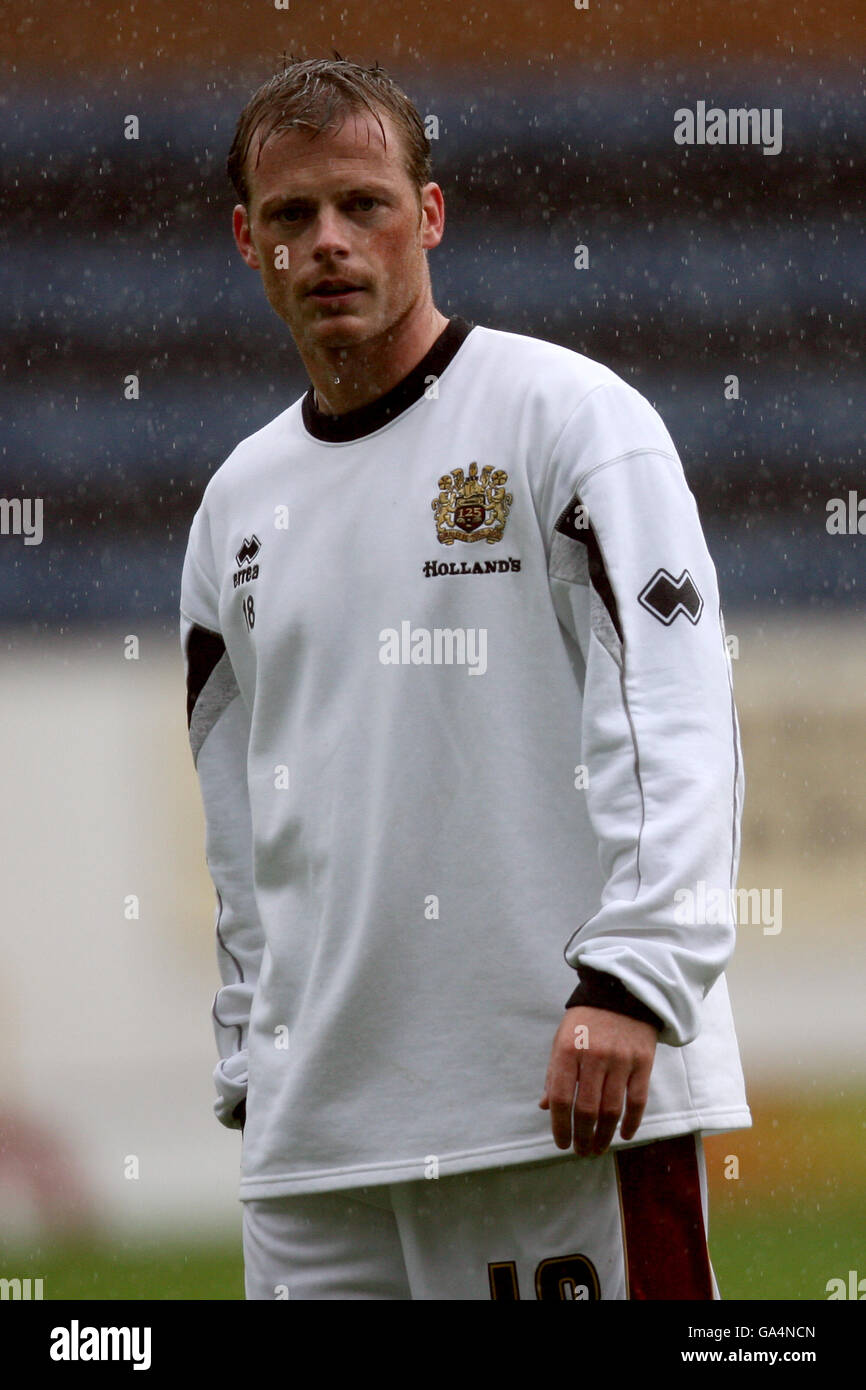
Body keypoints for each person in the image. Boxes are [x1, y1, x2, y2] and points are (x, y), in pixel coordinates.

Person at [180, 56, 751, 1301]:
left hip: (556, 1101)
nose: (328, 242)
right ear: (246, 240)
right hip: (314, 1151)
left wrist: (631, 980)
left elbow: (672, 713)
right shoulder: (235, 504)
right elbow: (240, 815)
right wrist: (249, 1053)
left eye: (363, 204)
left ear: (426, 216)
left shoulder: (569, 419)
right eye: (290, 215)